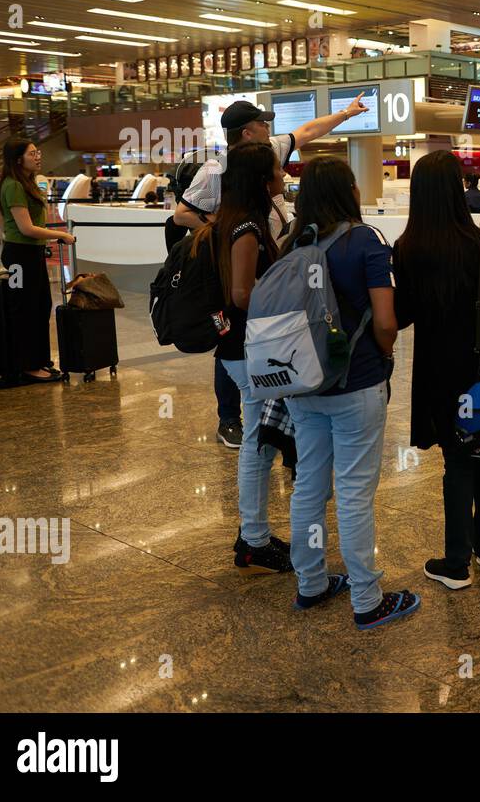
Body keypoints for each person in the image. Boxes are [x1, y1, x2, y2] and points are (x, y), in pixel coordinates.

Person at [172, 96, 368, 449]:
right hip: (239, 260)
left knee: (268, 337)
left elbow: (307, 131)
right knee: (234, 337)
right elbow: (182, 214)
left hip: (272, 259)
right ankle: (230, 418)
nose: (269, 128)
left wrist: (345, 113)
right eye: (262, 123)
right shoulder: (215, 171)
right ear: (247, 133)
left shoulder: (272, 149)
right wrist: (227, 229)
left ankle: (276, 409)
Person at [280, 156, 420, 629]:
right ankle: (367, 599)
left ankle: (312, 583)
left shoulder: (292, 242)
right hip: (356, 381)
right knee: (355, 493)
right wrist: (383, 354)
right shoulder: (365, 241)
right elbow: (386, 321)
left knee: (309, 488)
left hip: (302, 384)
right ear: (349, 193)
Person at [393, 150, 480, 591]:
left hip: (440, 371)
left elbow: (403, 315)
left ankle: (455, 562)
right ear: (456, 189)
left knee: (457, 460)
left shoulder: (407, 249)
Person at [197, 141, 293, 573]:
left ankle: (253, 533)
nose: (282, 173)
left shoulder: (225, 221)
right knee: (257, 446)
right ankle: (253, 539)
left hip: (235, 347)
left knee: (259, 442)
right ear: (261, 178)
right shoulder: (247, 227)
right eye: (276, 168)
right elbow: (242, 294)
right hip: (247, 347)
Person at [0, 139, 75, 384]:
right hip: (20, 255)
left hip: (30, 253)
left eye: (38, 151)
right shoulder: (13, 185)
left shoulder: (23, 183)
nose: (38, 156)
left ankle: (39, 360)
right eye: (33, 153)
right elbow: (27, 228)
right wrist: (60, 234)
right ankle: (28, 366)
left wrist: (6, 229)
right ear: (19, 159)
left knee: (40, 306)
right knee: (25, 309)